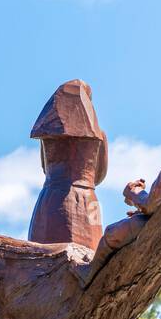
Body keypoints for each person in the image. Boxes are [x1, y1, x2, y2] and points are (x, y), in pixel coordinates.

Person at [74, 120, 161, 287]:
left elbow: (151, 205)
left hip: (154, 225)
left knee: (110, 233)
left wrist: (133, 192)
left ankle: (88, 273)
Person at [29, 80, 108, 250]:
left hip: (51, 198)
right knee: (91, 253)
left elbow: (45, 167)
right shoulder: (100, 135)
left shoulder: (49, 134)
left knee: (43, 254)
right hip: (88, 199)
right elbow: (100, 174)